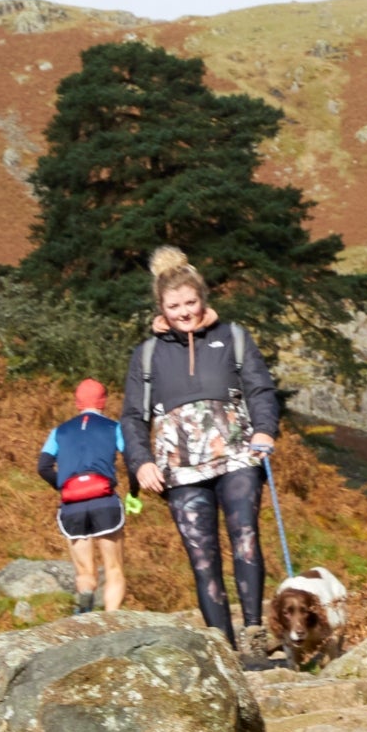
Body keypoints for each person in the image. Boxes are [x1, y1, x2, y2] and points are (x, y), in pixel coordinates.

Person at [122, 247, 280, 651]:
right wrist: (140, 463)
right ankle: (223, 648)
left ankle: (254, 635)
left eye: (190, 302)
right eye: (174, 306)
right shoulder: (147, 355)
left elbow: (260, 389)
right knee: (202, 556)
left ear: (203, 299)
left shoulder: (233, 337)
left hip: (238, 455)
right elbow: (133, 417)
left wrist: (265, 430)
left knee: (245, 535)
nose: (184, 312)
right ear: (161, 308)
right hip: (179, 469)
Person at [38, 379, 128, 613]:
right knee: (114, 569)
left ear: (77, 403)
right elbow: (132, 459)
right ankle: (112, 621)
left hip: (72, 506)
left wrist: (65, 486)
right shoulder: (115, 427)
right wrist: (135, 492)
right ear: (103, 401)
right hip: (105, 502)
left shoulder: (59, 431)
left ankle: (86, 600)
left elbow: (43, 467)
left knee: (84, 573)